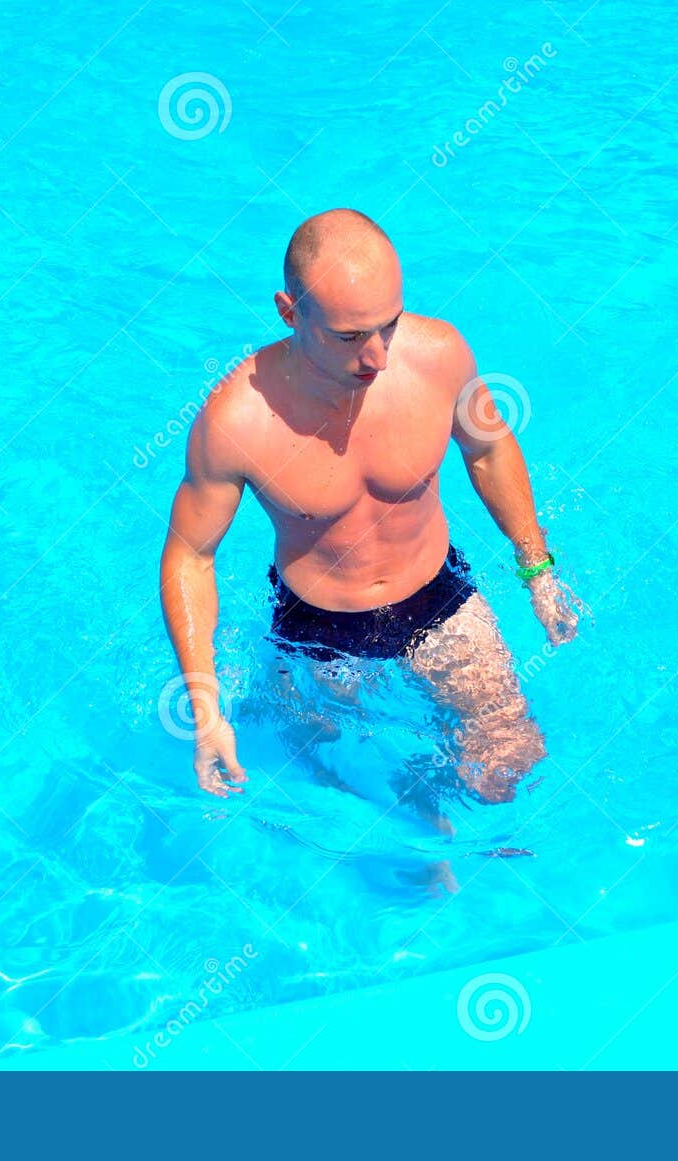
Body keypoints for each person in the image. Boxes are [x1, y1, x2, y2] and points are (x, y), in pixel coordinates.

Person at [158, 207, 580, 815]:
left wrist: (536, 569)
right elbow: (191, 555)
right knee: (332, 780)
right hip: (314, 630)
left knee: (507, 767)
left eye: (389, 325)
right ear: (290, 312)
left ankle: (444, 810)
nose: (378, 357)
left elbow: (487, 450)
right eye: (350, 336)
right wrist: (204, 706)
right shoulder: (236, 422)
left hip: (438, 600)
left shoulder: (438, 357)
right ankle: (419, 827)